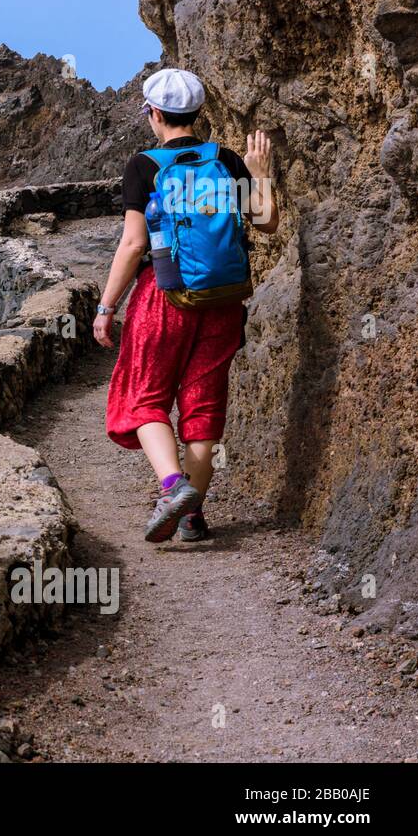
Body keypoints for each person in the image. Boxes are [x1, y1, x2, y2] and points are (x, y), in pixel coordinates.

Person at [93, 67, 278, 542]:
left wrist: (107, 306)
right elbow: (266, 224)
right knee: (204, 403)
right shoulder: (228, 158)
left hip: (164, 297)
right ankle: (193, 517)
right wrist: (260, 177)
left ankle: (174, 487)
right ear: (198, 112)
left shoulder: (144, 166)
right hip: (223, 300)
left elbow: (134, 244)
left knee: (145, 394)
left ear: (154, 113)